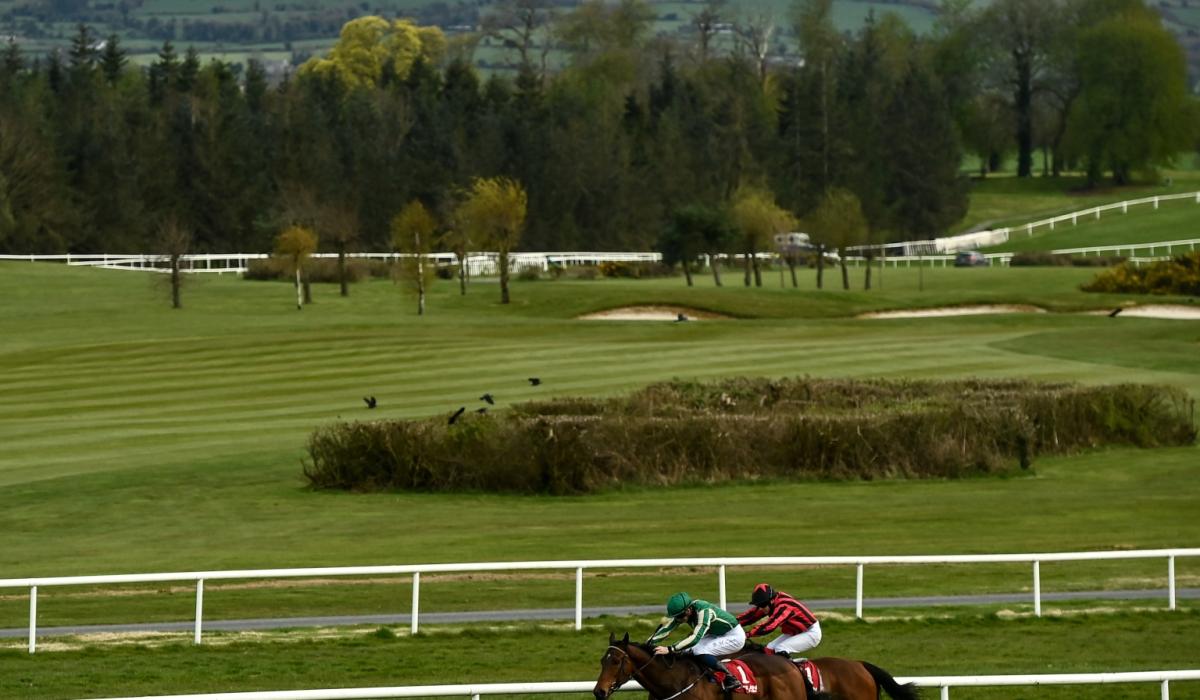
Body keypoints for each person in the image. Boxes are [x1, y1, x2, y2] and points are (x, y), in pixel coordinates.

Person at [648, 592, 746, 692]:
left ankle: (731, 679)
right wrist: (649, 642)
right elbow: (668, 628)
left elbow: (695, 638)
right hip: (716, 634)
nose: (678, 620)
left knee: (699, 650)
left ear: (688, 610)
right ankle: (705, 674)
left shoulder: (704, 612)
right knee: (686, 648)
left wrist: (670, 649)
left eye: (680, 616)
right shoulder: (684, 611)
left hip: (734, 636)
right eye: (676, 617)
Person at [737, 583, 822, 658]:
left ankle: (795, 674)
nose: (761, 608)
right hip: (796, 631)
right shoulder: (770, 603)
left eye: (762, 605)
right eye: (758, 605)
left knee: (781, 648)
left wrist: (748, 634)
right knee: (769, 649)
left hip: (810, 632)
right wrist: (732, 623)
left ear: (772, 600)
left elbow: (770, 626)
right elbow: (751, 615)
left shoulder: (784, 606)